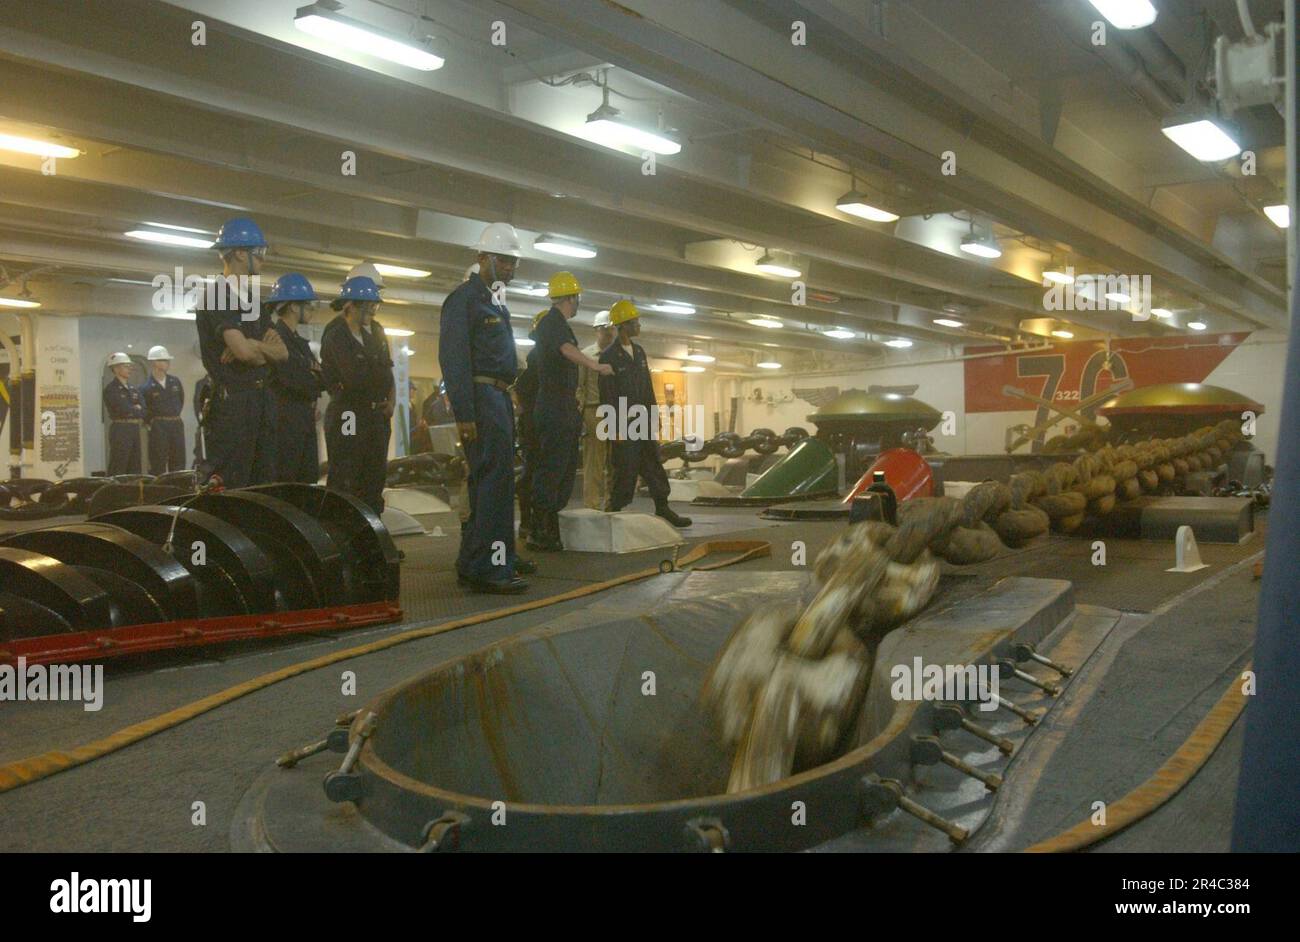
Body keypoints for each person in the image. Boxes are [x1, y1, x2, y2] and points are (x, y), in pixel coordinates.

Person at [438, 222, 538, 593]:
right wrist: (464, 413)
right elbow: (454, 358)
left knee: (493, 484)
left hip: (497, 398)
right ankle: (490, 567)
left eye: (514, 262)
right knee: (492, 484)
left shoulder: (494, 301)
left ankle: (483, 560)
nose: (511, 269)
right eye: (504, 261)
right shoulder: (464, 300)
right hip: (480, 400)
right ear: (483, 258)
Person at [195, 216, 287, 488]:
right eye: (258, 253)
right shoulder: (216, 295)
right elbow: (245, 354)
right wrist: (256, 348)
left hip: (260, 402)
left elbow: (282, 353)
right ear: (238, 252)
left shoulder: (253, 301)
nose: (263, 259)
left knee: (264, 485)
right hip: (233, 405)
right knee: (234, 486)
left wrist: (252, 345)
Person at [527, 273, 613, 551]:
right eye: (577, 298)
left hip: (563, 405)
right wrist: (595, 365)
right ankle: (540, 529)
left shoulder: (558, 324)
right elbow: (565, 349)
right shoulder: (552, 323)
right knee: (552, 468)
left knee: (563, 469)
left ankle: (550, 524)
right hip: (553, 405)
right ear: (571, 298)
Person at [598, 300, 692, 528]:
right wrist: (614, 428)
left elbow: (647, 386)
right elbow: (606, 394)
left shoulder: (639, 352)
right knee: (625, 468)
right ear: (622, 326)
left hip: (644, 420)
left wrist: (655, 415)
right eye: (634, 322)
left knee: (653, 463)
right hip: (624, 422)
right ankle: (614, 509)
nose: (638, 325)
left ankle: (663, 507)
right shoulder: (608, 357)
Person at [319, 275, 393, 515]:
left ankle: (371, 537)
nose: (372, 311)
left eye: (375, 306)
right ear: (351, 305)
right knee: (346, 477)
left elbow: (386, 372)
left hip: (374, 416)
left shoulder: (373, 333)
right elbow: (353, 379)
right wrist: (375, 379)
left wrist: (389, 401)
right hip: (349, 414)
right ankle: (343, 537)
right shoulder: (336, 334)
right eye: (368, 306)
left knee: (373, 479)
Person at [266, 273, 324, 483]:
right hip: (286, 420)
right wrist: (310, 375)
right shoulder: (275, 337)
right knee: (288, 480)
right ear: (292, 306)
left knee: (308, 479)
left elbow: (321, 379)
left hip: (303, 418)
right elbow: (293, 379)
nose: (311, 310)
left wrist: (311, 376)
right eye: (307, 305)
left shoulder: (299, 342)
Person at [578, 309, 617, 510]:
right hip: (594, 411)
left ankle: (612, 503)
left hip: (617, 413)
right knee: (594, 463)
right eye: (605, 328)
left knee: (615, 461)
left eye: (612, 327)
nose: (610, 332)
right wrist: (582, 416)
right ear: (596, 330)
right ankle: (591, 506)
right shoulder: (585, 356)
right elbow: (579, 387)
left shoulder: (619, 356)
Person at [513, 310, 545, 543]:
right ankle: (529, 521)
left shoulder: (536, 358)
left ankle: (533, 521)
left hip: (537, 423)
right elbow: (522, 395)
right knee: (533, 473)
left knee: (534, 472)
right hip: (535, 425)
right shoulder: (535, 359)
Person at [140, 345, 186, 475]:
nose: (167, 363)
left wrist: (172, 414)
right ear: (154, 362)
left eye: (167, 360)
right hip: (159, 426)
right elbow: (145, 410)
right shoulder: (146, 387)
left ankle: (178, 489)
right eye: (164, 360)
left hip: (176, 424)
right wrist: (153, 423)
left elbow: (180, 401)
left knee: (178, 460)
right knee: (158, 460)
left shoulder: (175, 382)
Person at [103, 351, 144, 475]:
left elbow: (144, 410)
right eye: (126, 366)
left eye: (130, 366)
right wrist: (136, 408)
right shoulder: (111, 389)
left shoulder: (133, 389)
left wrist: (135, 409)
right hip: (120, 428)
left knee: (135, 465)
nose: (129, 369)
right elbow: (122, 409)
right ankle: (116, 492)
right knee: (119, 464)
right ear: (116, 368)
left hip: (134, 428)